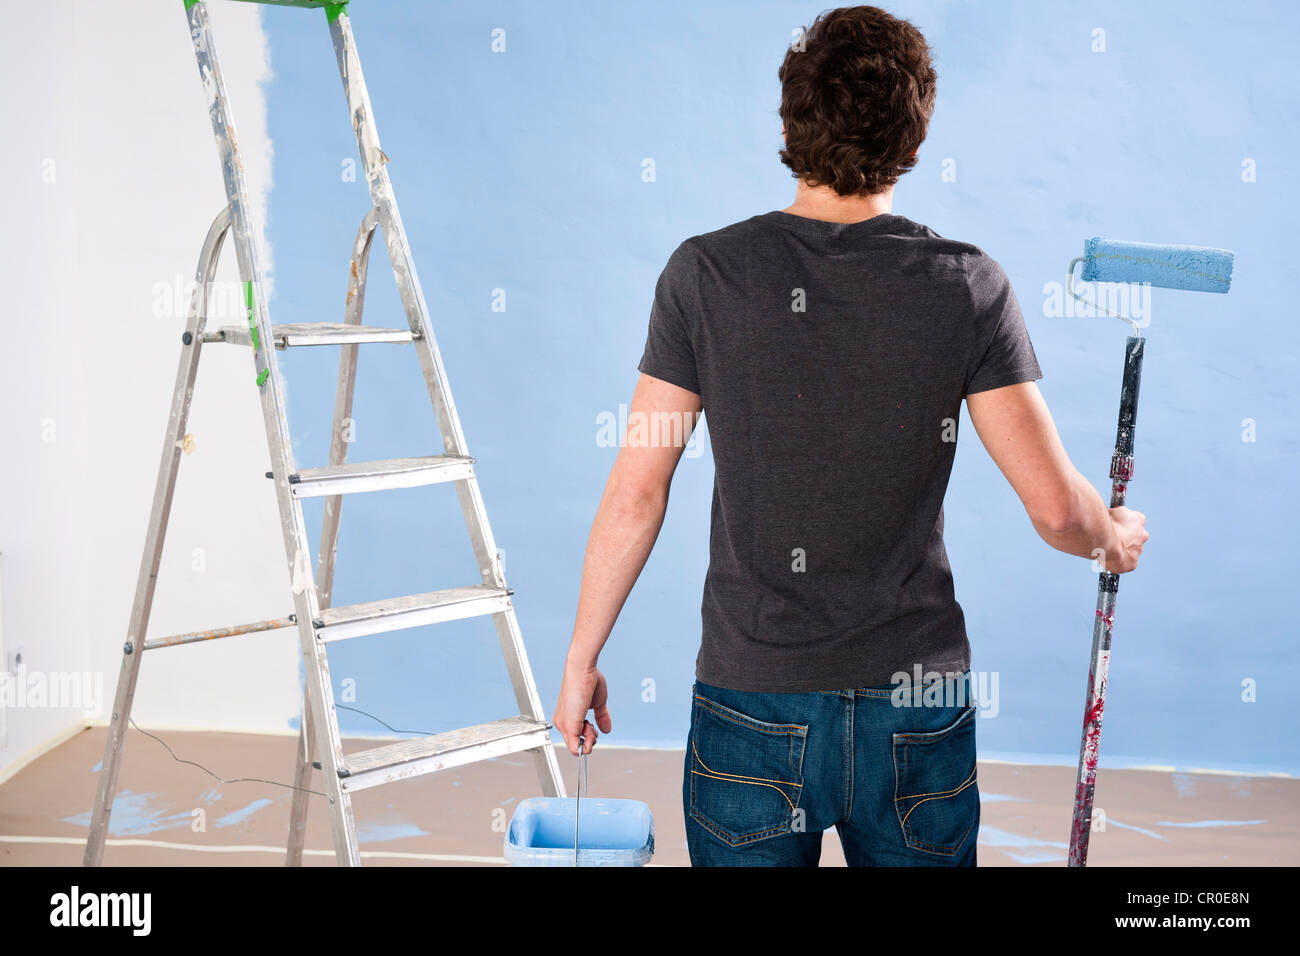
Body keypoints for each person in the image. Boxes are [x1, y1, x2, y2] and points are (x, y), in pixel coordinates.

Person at [552, 5, 1148, 866]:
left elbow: (638, 490)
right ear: (912, 139)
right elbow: (1059, 510)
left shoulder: (705, 274)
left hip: (752, 703)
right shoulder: (968, 285)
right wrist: (1111, 536)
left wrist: (582, 655)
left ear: (790, 125)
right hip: (914, 701)